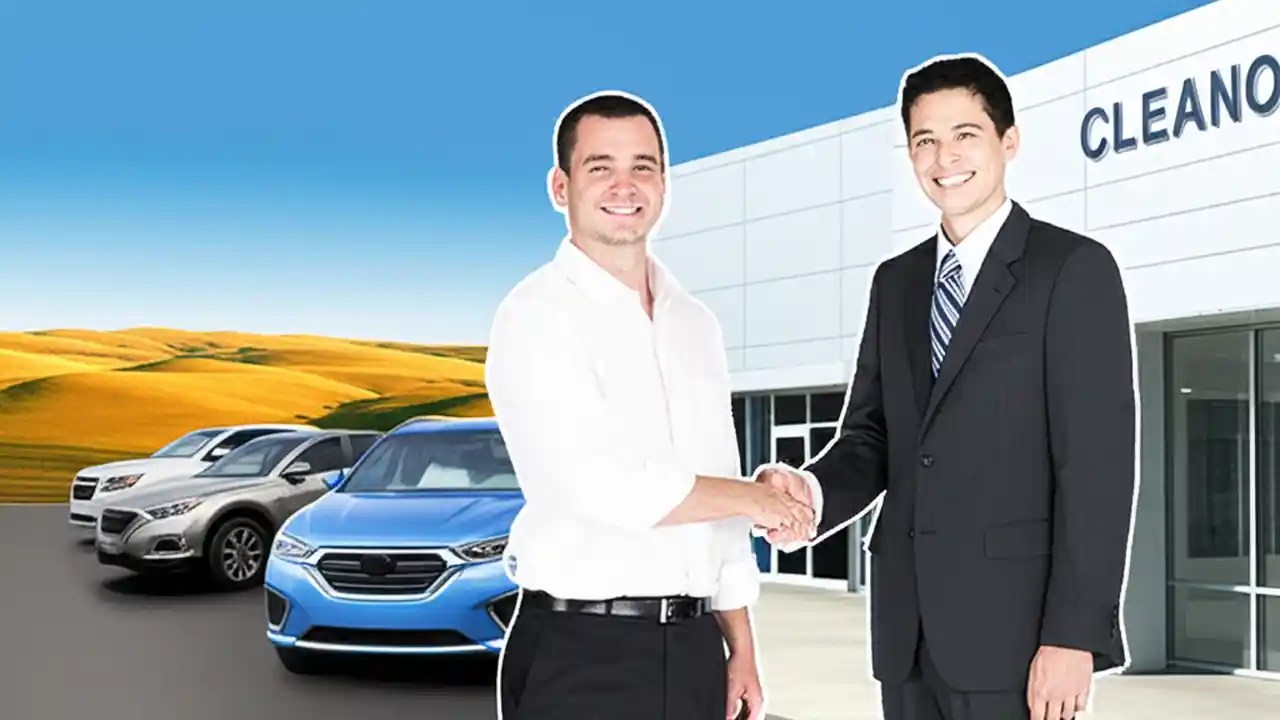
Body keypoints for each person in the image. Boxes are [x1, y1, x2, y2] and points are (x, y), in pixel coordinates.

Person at [758, 54, 1138, 720]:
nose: (944, 156)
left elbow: (1098, 471)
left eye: (965, 134)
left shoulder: (1073, 270)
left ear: (1008, 142)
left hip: (1016, 639)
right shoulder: (896, 283)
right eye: (924, 140)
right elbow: (872, 435)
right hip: (908, 633)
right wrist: (813, 491)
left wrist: (1073, 636)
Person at [485, 90, 816, 720]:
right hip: (581, 650)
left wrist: (740, 647)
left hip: (694, 649)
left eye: (643, 166)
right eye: (599, 166)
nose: (624, 185)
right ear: (561, 186)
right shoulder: (535, 317)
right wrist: (758, 498)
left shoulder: (695, 323)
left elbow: (714, 516)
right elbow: (601, 486)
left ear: (664, 184)